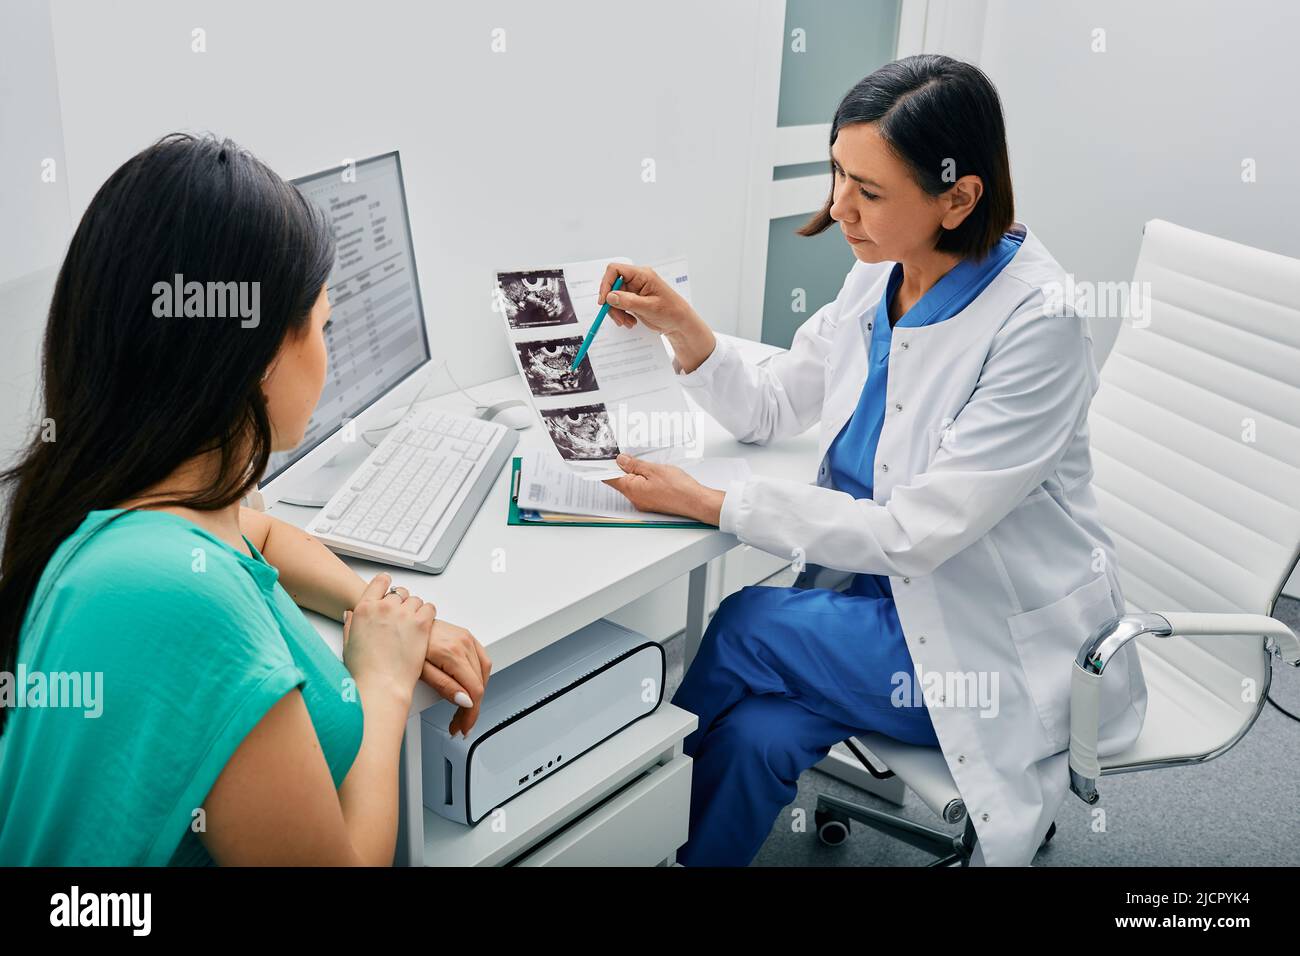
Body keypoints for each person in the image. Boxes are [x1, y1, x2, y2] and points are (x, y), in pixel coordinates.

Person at [599, 55, 1147, 866]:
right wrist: (686, 329)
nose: (838, 208)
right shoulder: (883, 273)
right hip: (870, 607)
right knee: (755, 734)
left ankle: (625, 813)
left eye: (869, 191)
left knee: (748, 623)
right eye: (837, 175)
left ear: (959, 197)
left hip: (980, 644)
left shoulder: (1040, 324)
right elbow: (774, 404)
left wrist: (716, 504)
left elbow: (917, 533)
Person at [0, 133, 491, 865]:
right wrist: (381, 683)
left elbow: (253, 537)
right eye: (323, 325)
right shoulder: (189, 607)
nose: (328, 350)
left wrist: (369, 607)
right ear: (259, 355)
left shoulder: (119, 507)